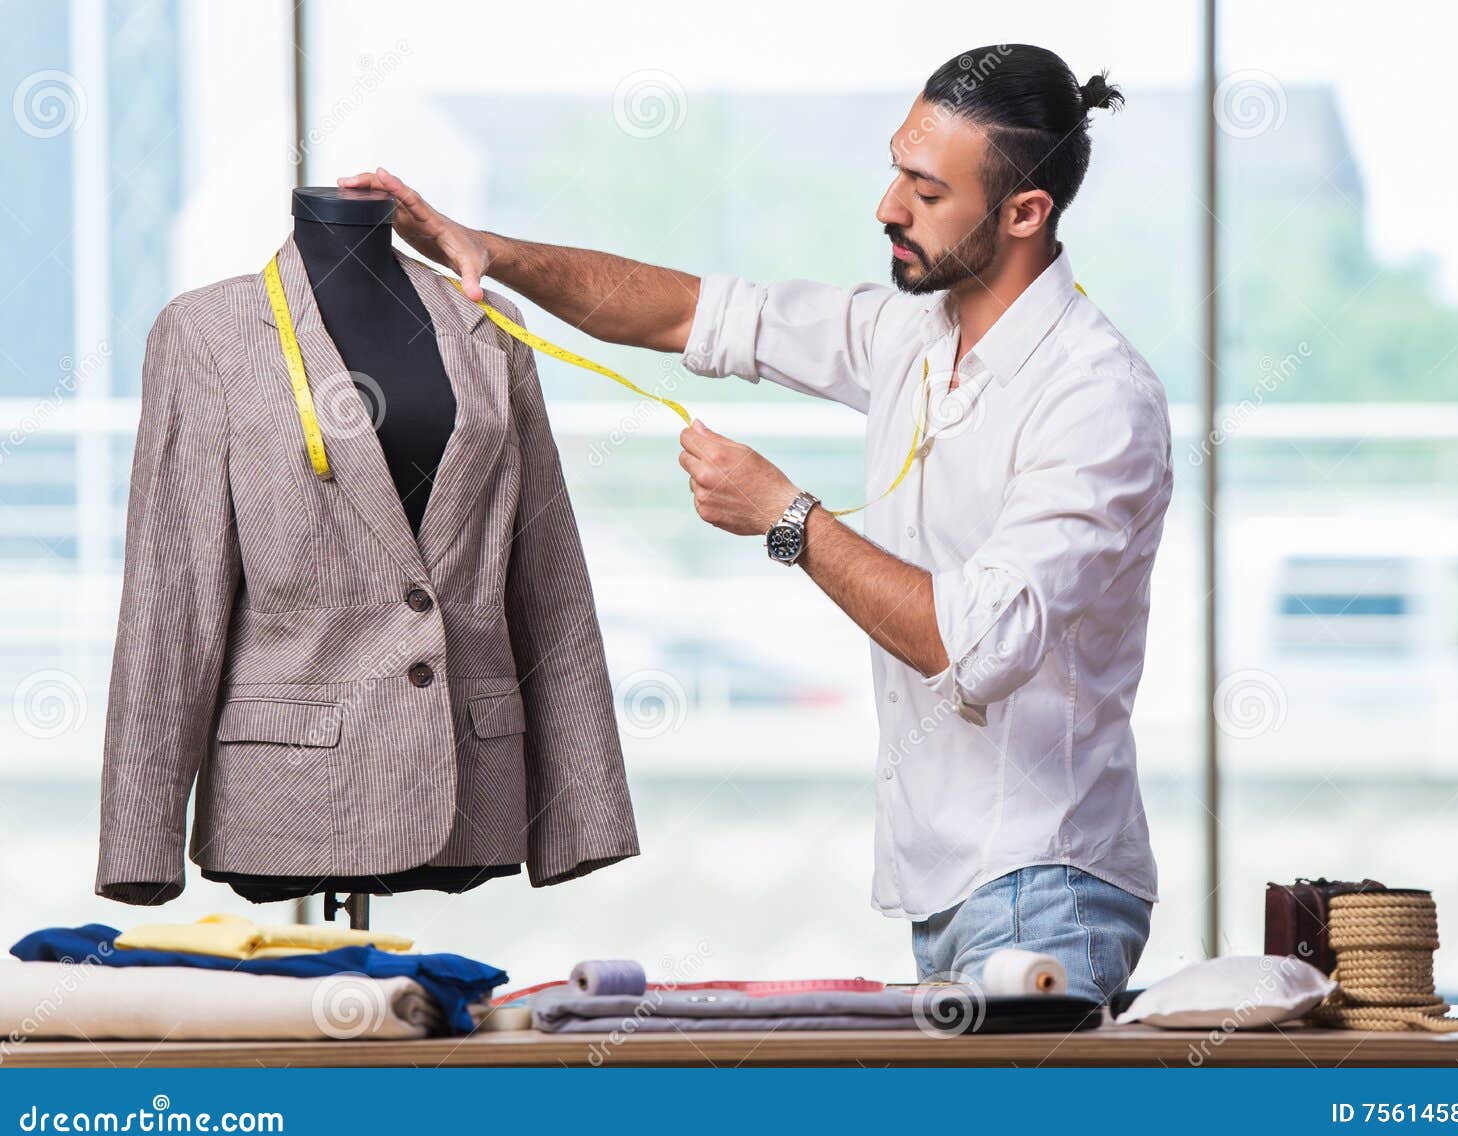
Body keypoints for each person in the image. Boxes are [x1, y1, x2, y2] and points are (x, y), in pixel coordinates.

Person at [340, 43, 1172, 1002]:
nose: (887, 207)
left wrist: (787, 518)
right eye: (895, 167)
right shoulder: (914, 335)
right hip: (953, 885)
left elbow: (977, 644)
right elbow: (688, 312)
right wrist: (493, 253)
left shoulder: (1096, 398)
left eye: (925, 189)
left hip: (1046, 885)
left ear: (1027, 213)